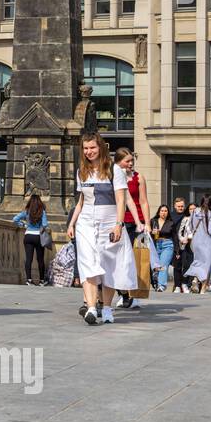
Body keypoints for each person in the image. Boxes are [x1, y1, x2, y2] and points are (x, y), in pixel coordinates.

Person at [68, 131, 129, 324]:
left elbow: (121, 199)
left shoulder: (114, 169)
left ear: (100, 147)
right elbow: (81, 201)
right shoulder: (81, 171)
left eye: (92, 147)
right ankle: (92, 308)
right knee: (87, 263)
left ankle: (108, 307)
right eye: (85, 148)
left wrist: (118, 224)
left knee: (108, 266)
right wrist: (72, 223)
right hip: (86, 222)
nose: (89, 152)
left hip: (109, 221)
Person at [113, 149, 151, 309]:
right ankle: (122, 292)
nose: (130, 164)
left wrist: (147, 223)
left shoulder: (138, 177)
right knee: (116, 259)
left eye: (132, 161)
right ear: (118, 161)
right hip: (118, 222)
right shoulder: (113, 175)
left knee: (133, 259)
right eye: (127, 161)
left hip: (136, 224)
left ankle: (134, 294)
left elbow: (143, 201)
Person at [11, 194, 49, 286]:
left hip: (28, 236)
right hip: (38, 237)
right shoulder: (42, 212)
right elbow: (45, 225)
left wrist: (24, 225)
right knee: (40, 259)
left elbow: (15, 219)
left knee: (29, 259)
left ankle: (29, 280)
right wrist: (40, 228)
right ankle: (41, 281)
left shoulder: (27, 212)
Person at [185, 196, 211, 292]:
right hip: (207, 241)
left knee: (198, 261)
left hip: (196, 240)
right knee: (207, 264)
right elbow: (210, 231)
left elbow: (190, 225)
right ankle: (203, 288)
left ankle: (195, 279)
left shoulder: (195, 211)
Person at [151, 205, 176, 291]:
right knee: (156, 266)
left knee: (163, 265)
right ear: (158, 212)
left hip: (167, 244)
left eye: (165, 211)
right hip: (156, 244)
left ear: (168, 213)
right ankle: (156, 282)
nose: (163, 212)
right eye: (162, 211)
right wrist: (151, 232)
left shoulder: (171, 222)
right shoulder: (153, 221)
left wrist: (177, 251)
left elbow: (175, 236)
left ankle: (161, 285)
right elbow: (148, 233)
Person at [169, 196, 190, 293]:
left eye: (182, 206)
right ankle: (177, 285)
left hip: (187, 243)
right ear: (175, 206)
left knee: (186, 264)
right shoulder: (171, 216)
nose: (181, 208)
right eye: (179, 206)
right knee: (177, 265)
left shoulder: (187, 215)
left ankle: (184, 284)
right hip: (175, 243)